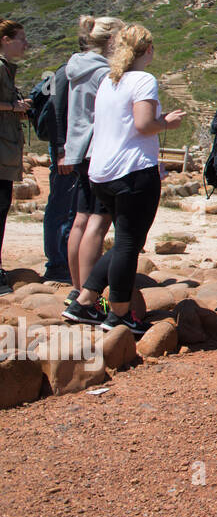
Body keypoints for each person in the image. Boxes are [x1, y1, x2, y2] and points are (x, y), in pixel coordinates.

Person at [67, 25, 184, 335]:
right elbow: (144, 124)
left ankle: (84, 300)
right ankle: (119, 314)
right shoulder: (143, 79)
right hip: (132, 172)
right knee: (129, 244)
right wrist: (168, 123)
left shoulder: (109, 80)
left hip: (101, 172)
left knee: (123, 243)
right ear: (147, 51)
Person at [60, 17, 122, 314]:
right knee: (99, 221)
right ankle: (90, 296)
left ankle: (76, 287)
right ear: (111, 41)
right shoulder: (104, 73)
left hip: (78, 150)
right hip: (100, 151)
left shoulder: (76, 68)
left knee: (81, 219)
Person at [0, 21, 32, 295]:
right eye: (20, 38)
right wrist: (13, 106)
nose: (26, 44)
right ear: (5, 39)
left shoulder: (6, 69)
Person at [39, 45, 75, 284]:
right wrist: (61, 149)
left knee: (68, 206)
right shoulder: (66, 73)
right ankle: (56, 263)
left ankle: (63, 260)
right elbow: (56, 110)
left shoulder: (61, 73)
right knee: (61, 204)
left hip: (67, 147)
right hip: (65, 148)